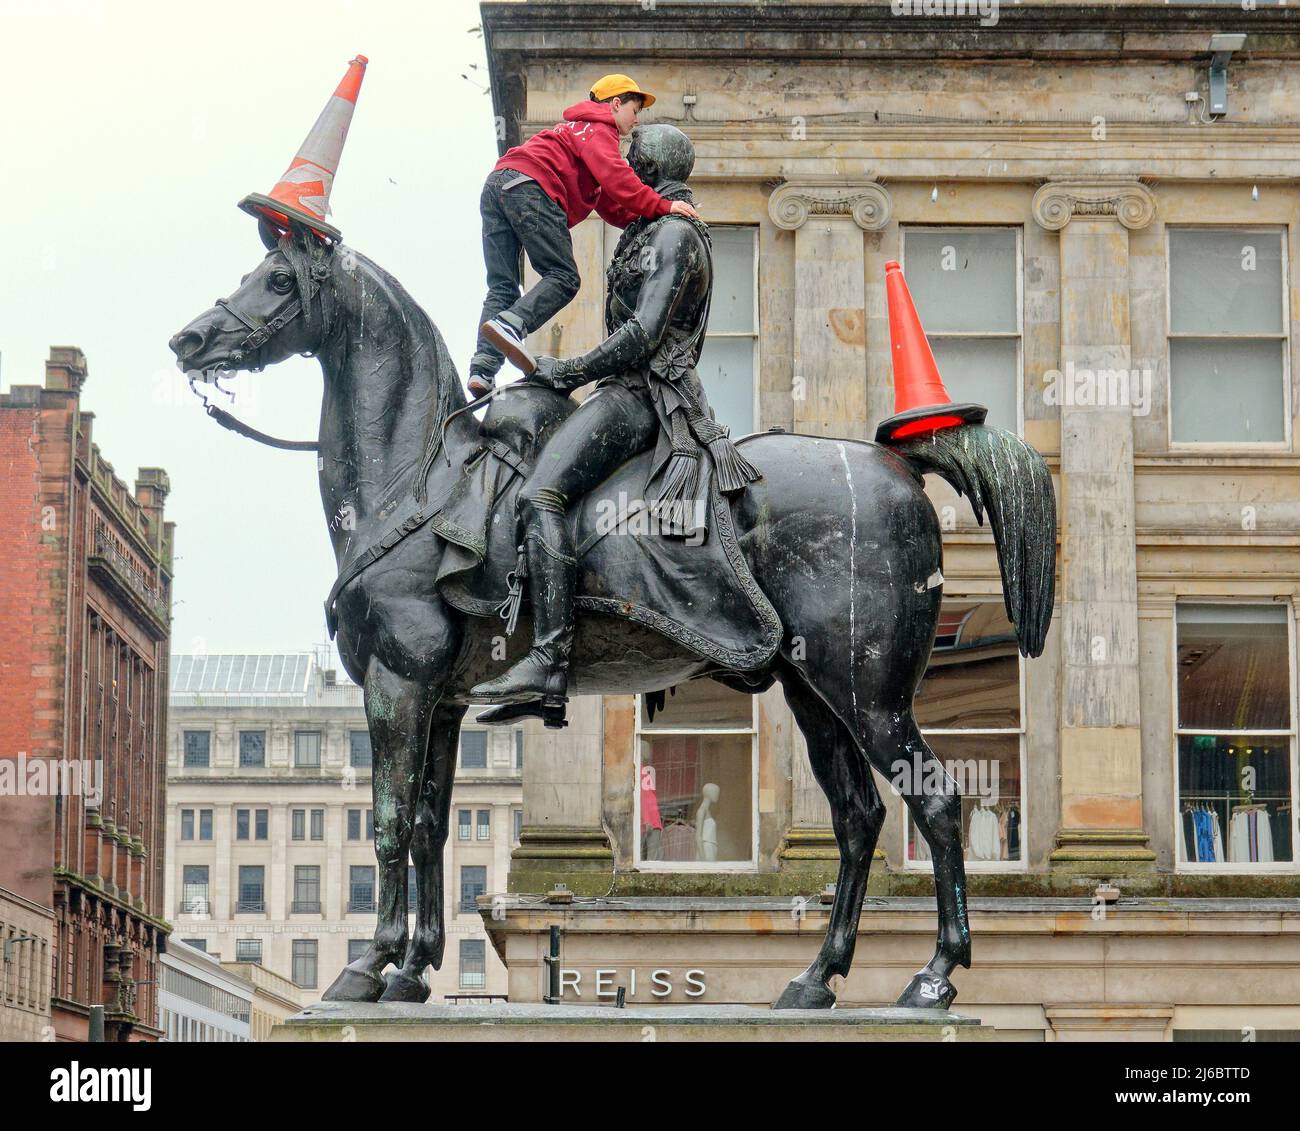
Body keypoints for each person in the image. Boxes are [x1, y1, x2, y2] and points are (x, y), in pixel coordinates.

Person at [471, 124, 760, 722]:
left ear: (652, 166)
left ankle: (549, 657)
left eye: (633, 159)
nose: (622, 167)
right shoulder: (649, 231)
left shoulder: (676, 234)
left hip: (644, 397)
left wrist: (566, 370)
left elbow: (642, 336)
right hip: (627, 390)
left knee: (540, 495)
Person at [468, 74, 700, 399]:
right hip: (531, 187)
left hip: (498, 185)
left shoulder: (577, 135)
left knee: (503, 286)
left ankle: (482, 369)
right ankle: (512, 324)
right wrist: (664, 205)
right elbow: (619, 181)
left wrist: (647, 219)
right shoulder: (598, 128)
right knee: (563, 278)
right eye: (635, 110)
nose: (636, 120)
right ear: (615, 104)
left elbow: (612, 205)